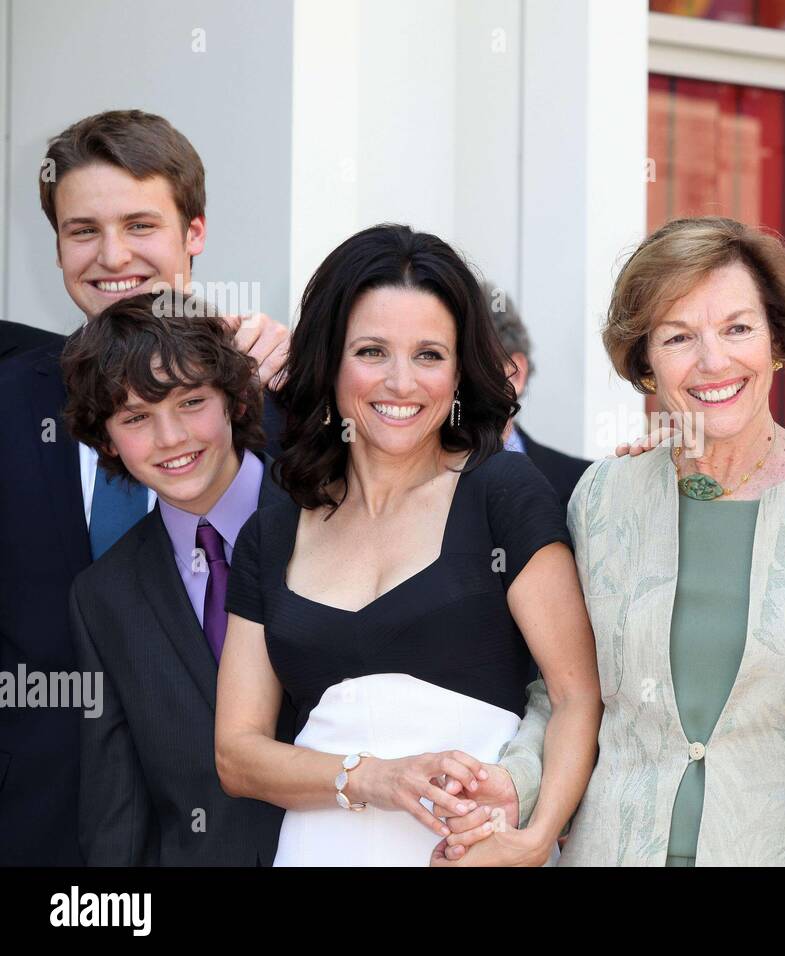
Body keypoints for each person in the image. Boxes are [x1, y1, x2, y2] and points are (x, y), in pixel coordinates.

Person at [509, 217, 785, 865]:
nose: (713, 360)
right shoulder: (604, 497)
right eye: (678, 337)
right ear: (645, 365)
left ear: (777, 338)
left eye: (738, 328)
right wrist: (508, 787)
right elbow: (564, 693)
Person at [213, 224, 601, 866]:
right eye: (371, 351)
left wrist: (534, 841)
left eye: (429, 355)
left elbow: (575, 697)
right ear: (329, 360)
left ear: (458, 370)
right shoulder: (274, 529)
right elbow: (237, 753)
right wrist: (372, 778)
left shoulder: (501, 492)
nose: (401, 383)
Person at [0, 109, 290, 865]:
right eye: (83, 230)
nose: (112, 255)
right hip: (41, 830)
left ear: (194, 232)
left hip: (276, 830)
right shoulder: (5, 406)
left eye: (140, 224)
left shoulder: (291, 396)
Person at [62, 293, 292, 865]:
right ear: (107, 439)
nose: (170, 438)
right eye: (136, 417)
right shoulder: (102, 598)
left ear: (235, 402)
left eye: (190, 402)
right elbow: (118, 813)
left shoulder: (332, 518)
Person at [480, 279, 591, 505]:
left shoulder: (585, 488)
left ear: (515, 373)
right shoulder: (413, 486)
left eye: (477, 364)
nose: (457, 383)